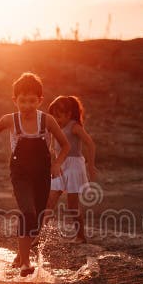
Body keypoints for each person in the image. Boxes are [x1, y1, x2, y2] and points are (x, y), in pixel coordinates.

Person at [0, 72, 70, 277]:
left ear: (40, 100)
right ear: (14, 100)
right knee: (27, 211)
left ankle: (21, 254)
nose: (27, 105)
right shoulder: (10, 120)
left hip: (42, 173)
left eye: (32, 101)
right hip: (20, 173)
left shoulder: (47, 120)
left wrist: (57, 164)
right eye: (22, 101)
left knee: (36, 219)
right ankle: (25, 263)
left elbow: (65, 145)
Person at [44, 95, 99, 243]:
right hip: (59, 165)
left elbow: (91, 144)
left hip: (74, 166)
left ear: (68, 114)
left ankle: (81, 235)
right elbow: (51, 148)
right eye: (53, 116)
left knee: (72, 205)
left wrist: (91, 165)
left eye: (59, 116)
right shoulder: (55, 127)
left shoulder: (74, 126)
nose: (56, 119)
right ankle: (38, 234)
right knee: (51, 200)